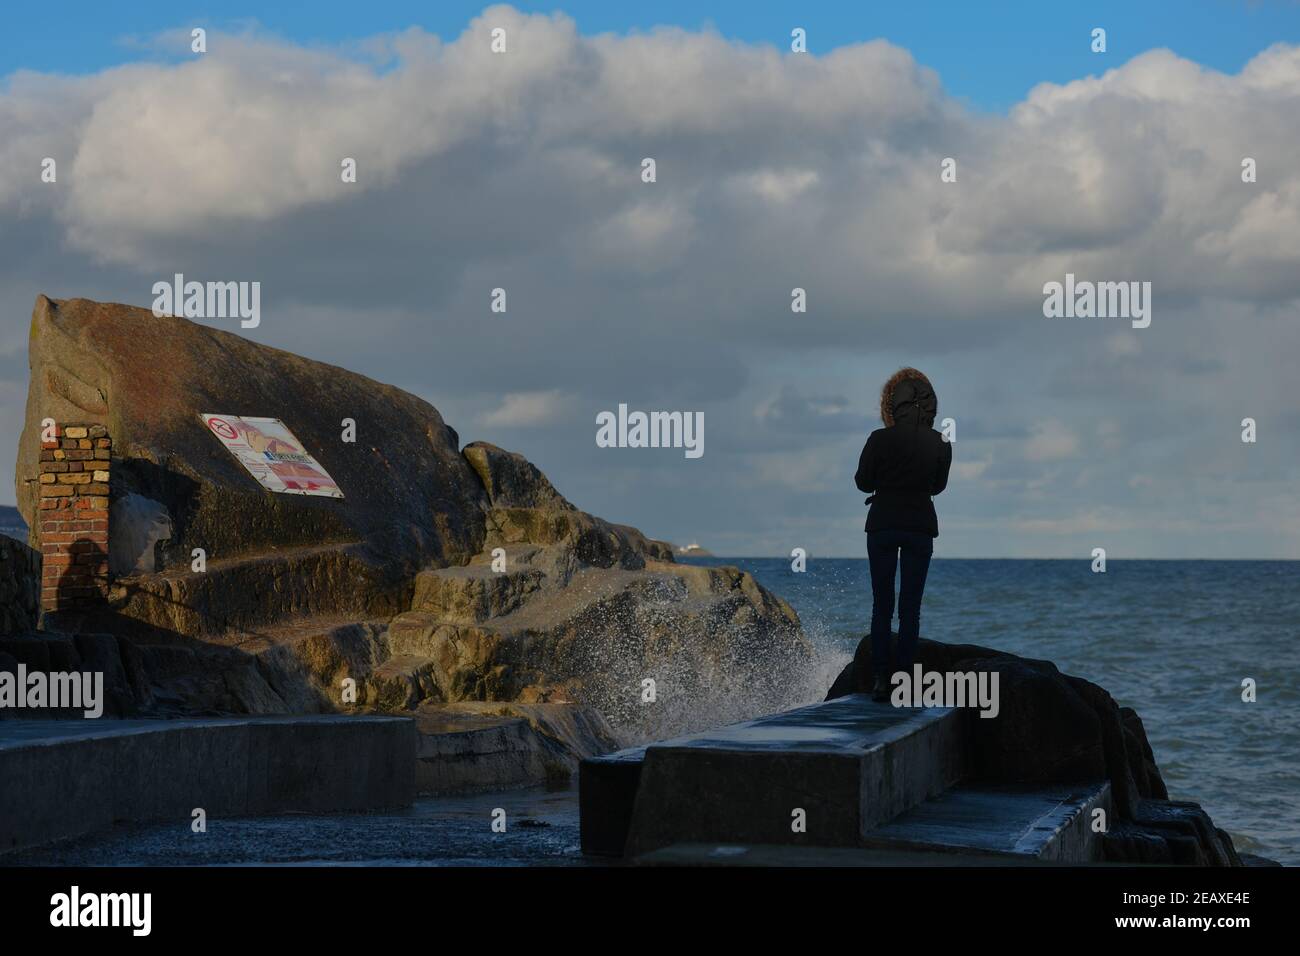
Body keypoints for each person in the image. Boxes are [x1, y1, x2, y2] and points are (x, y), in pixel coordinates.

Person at [854, 368, 952, 702]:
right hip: (920, 526)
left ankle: (880, 680)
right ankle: (903, 681)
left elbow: (863, 482)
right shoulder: (941, 442)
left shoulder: (878, 439)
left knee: (882, 605)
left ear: (894, 404)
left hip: (882, 524)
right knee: (911, 608)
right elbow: (938, 486)